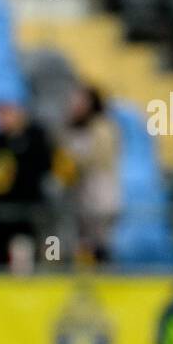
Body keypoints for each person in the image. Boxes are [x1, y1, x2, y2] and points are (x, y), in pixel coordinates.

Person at [0, 99, 55, 266]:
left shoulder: (37, 139)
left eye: (6, 113)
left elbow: (45, 171)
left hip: (28, 214)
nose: (1, 119)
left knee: (26, 257)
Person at [56, 84, 121, 263]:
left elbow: (99, 158)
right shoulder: (69, 128)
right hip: (78, 196)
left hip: (100, 196)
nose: (74, 105)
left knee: (100, 243)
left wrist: (73, 161)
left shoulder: (103, 128)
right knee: (79, 242)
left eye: (80, 101)